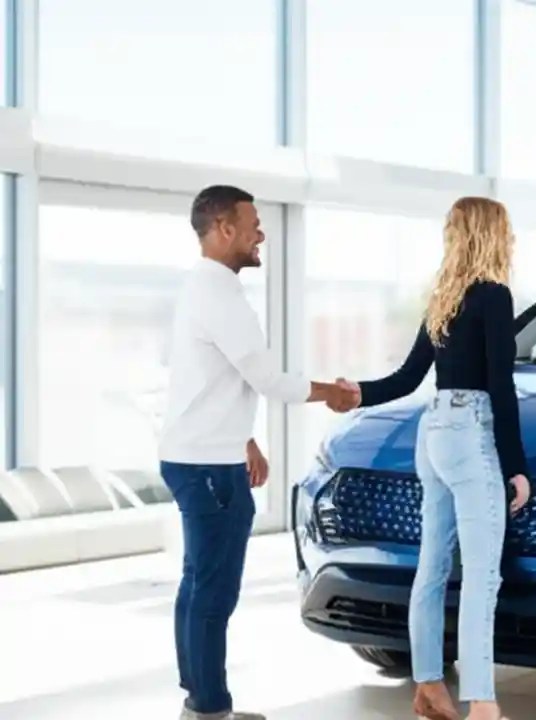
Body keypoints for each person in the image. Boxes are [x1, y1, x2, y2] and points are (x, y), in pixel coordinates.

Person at [159, 185, 358, 720]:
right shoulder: (219, 293)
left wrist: (242, 437)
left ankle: (197, 694)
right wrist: (332, 393)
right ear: (224, 228)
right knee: (214, 589)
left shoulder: (198, 288)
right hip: (207, 467)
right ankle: (209, 709)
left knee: (197, 579)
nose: (261, 233)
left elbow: (207, 376)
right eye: (253, 224)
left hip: (197, 454)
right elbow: (269, 378)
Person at [334, 196, 532, 720]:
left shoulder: (444, 297)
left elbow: (406, 378)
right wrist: (516, 466)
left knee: (432, 568)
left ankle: (428, 687)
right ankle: (484, 705)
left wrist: (360, 393)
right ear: (495, 235)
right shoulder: (493, 295)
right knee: (482, 575)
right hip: (470, 431)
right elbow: (500, 387)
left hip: (434, 432)